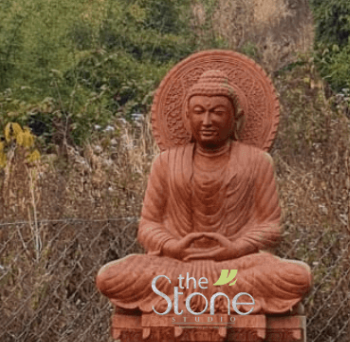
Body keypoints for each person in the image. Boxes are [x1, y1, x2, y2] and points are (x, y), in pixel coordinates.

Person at [96, 68, 311, 315]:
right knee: (110, 276)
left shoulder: (257, 161)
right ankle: (218, 297)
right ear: (187, 117)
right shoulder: (165, 162)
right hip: (176, 267)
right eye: (199, 112)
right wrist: (172, 246)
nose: (207, 121)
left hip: (233, 269)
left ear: (235, 118)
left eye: (218, 113)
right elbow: (148, 225)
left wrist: (236, 248)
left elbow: (271, 227)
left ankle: (187, 297)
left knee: (296, 276)